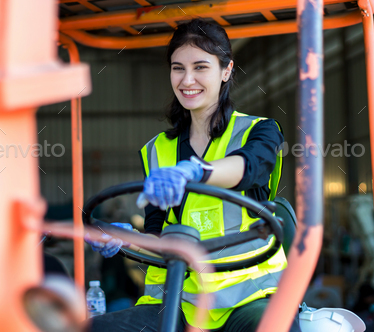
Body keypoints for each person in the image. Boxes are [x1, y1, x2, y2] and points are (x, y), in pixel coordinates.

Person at [85, 18, 301, 332]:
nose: (188, 80)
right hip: (181, 299)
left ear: (226, 70)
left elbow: (249, 167)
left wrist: (197, 171)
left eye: (201, 67)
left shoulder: (259, 131)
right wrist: (124, 239)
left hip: (251, 297)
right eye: (178, 68)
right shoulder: (158, 150)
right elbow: (158, 234)